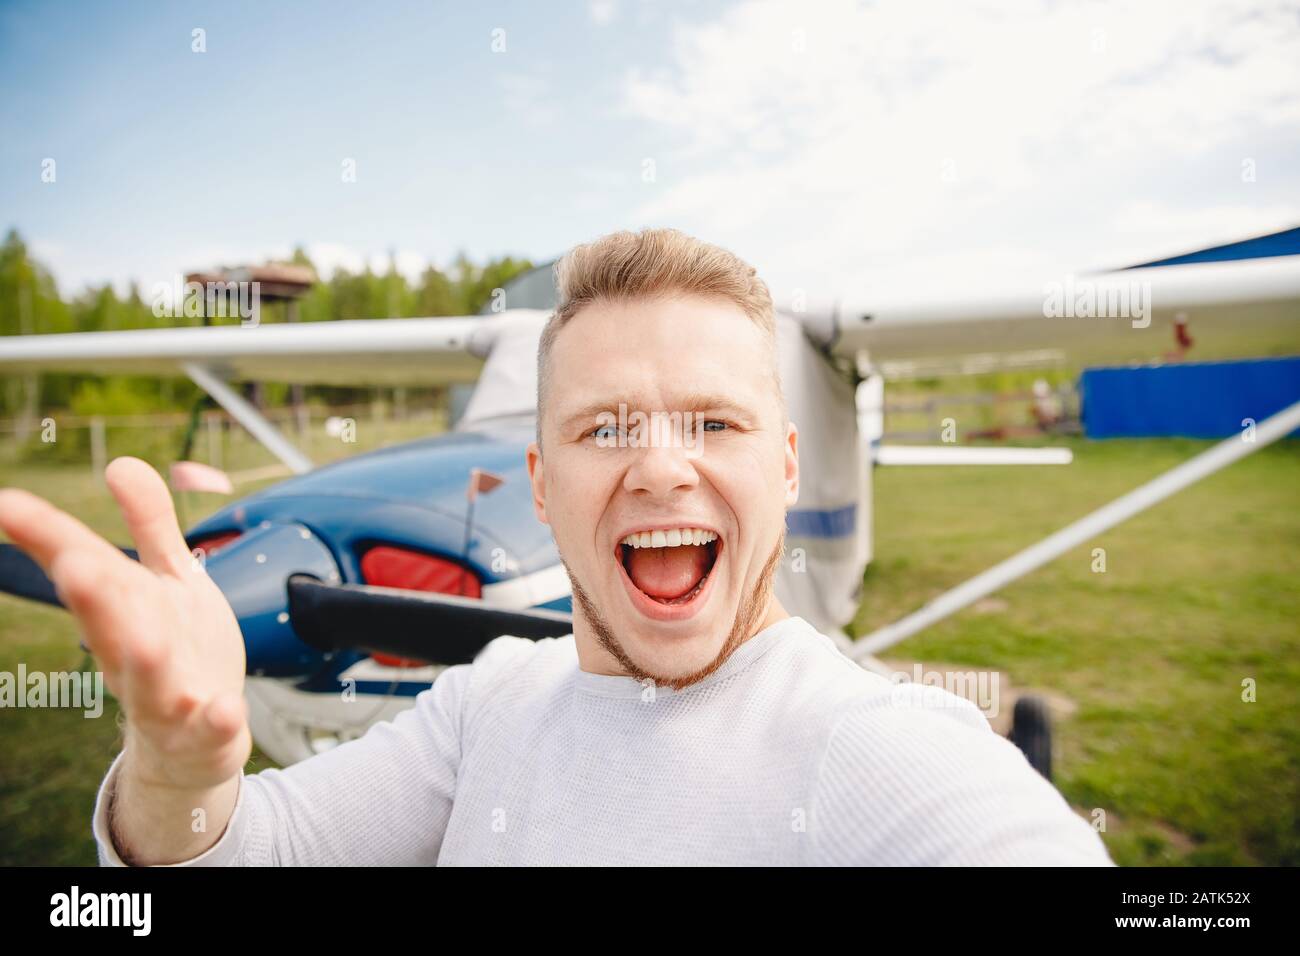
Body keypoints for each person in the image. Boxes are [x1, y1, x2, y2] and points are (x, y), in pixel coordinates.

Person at [0, 228, 1113, 866]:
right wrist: (177, 774)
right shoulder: (487, 702)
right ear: (538, 476)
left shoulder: (875, 745)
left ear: (786, 464)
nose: (662, 466)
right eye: (603, 426)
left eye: (713, 421)